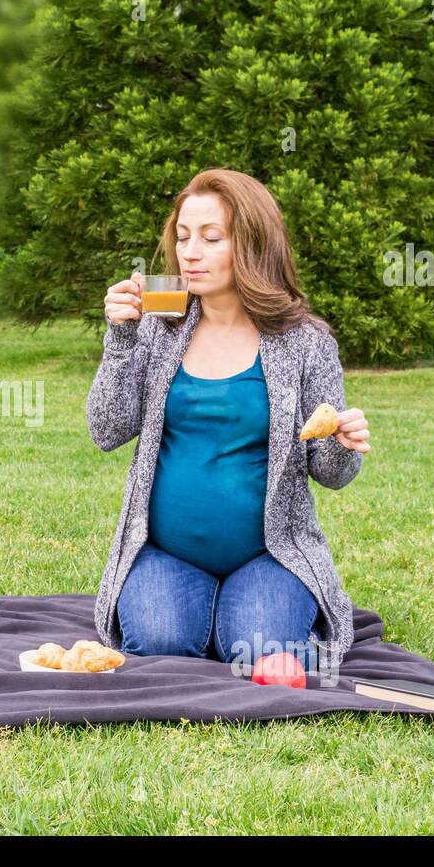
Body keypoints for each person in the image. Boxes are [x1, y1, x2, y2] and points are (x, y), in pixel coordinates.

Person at [86, 167, 370, 675]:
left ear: (254, 245)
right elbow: (107, 429)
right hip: (165, 552)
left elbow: (331, 473)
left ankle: (257, 610)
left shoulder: (306, 344)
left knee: (262, 653)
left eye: (211, 238)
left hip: (269, 554)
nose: (190, 252)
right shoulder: (158, 328)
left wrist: (342, 444)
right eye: (182, 236)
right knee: (159, 645)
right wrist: (121, 337)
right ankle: (197, 613)